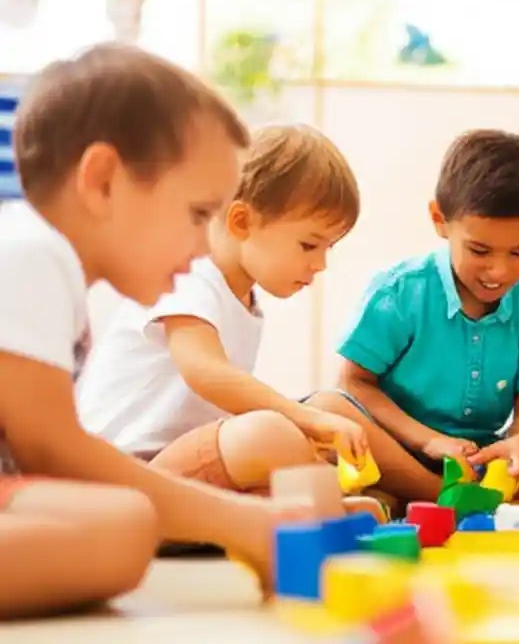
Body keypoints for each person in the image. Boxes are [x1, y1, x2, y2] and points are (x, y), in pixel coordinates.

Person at [0, 44, 301, 614]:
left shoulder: (47, 267)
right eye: (197, 215)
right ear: (103, 181)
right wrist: (246, 524)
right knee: (123, 528)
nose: (203, 245)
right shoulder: (30, 254)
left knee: (125, 521)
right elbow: (53, 449)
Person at [309, 129, 519, 528]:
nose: (499, 271)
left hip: (483, 460)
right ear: (440, 220)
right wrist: (427, 441)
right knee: (326, 408)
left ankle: (419, 504)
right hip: (401, 447)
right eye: (480, 250)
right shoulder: (399, 293)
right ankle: (452, 501)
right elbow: (354, 383)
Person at [76, 124, 368, 494]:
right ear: (241, 221)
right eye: (309, 245)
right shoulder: (188, 273)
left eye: (329, 248)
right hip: (123, 467)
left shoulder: (242, 296)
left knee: (329, 415)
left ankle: (291, 505)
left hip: (176, 462)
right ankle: (301, 503)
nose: (321, 264)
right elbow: (205, 371)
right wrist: (304, 420)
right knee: (270, 434)